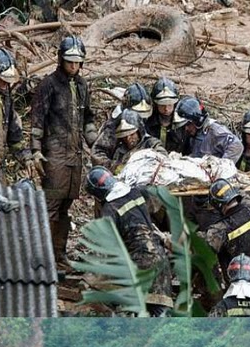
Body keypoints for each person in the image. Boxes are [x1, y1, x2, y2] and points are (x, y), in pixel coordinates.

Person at [30, 36, 94, 262]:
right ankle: (43, 258)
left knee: (66, 207)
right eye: (70, 62)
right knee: (51, 207)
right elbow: (37, 120)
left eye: (77, 63)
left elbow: (88, 119)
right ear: (61, 60)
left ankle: (59, 253)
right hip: (54, 156)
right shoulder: (49, 84)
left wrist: (94, 144)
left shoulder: (83, 85)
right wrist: (36, 151)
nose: (74, 67)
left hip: (74, 157)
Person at [83, 166, 172, 315]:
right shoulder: (137, 192)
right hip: (160, 259)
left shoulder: (110, 210)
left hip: (139, 266)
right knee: (160, 312)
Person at [199, 178, 250, 288]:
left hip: (244, 287)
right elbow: (242, 193)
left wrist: (166, 238)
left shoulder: (222, 229)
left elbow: (197, 242)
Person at [173, 96, 241, 161]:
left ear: (197, 120)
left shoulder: (215, 131)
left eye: (188, 124)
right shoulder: (194, 134)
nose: (186, 128)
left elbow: (237, 146)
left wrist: (221, 167)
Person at [146, 77, 183, 153]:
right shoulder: (148, 120)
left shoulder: (182, 122)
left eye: (169, 104)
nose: (166, 109)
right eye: (162, 105)